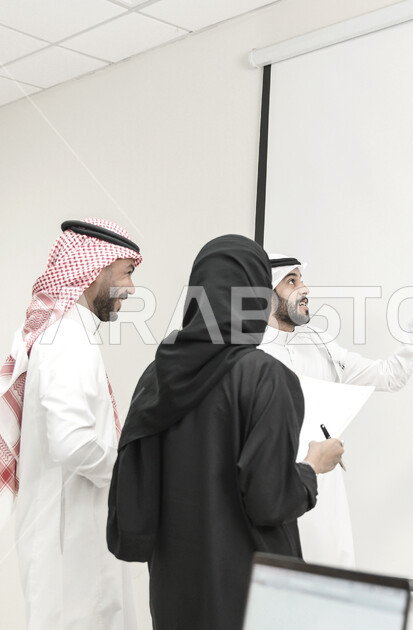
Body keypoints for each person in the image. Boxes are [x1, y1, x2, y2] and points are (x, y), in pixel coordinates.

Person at [107, 235, 344, 630]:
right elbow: (270, 501)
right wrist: (311, 468)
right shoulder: (268, 378)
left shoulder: (157, 376)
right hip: (251, 602)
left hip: (174, 598)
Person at [0, 218, 143, 630]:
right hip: (74, 542)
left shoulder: (63, 337)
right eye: (127, 273)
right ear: (95, 272)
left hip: (69, 533)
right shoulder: (67, 341)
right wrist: (132, 471)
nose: (133, 289)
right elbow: (71, 444)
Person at [257, 254, 413, 568]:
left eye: (302, 280)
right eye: (292, 281)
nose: (304, 289)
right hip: (273, 499)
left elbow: (391, 375)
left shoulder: (322, 346)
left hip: (325, 500)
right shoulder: (249, 355)